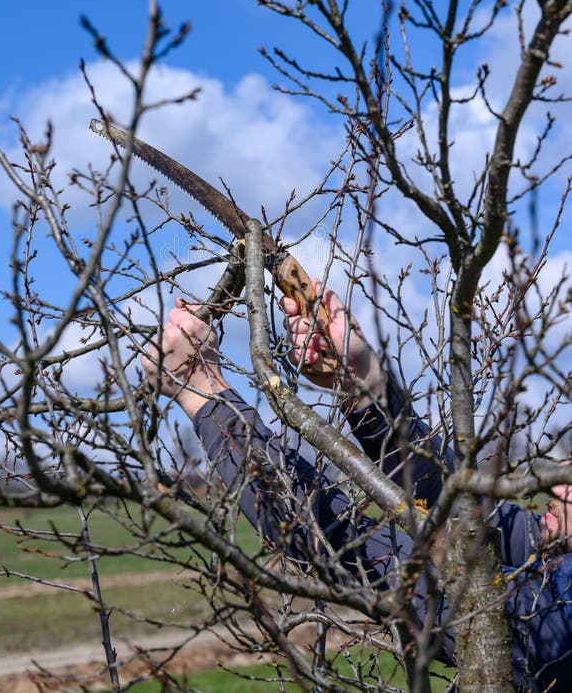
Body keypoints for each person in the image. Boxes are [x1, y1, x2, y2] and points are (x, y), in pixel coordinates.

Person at [142, 285, 572, 691]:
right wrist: (364, 386)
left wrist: (205, 394)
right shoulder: (556, 553)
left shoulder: (560, 612)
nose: (558, 484)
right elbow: (454, 500)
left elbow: (347, 546)